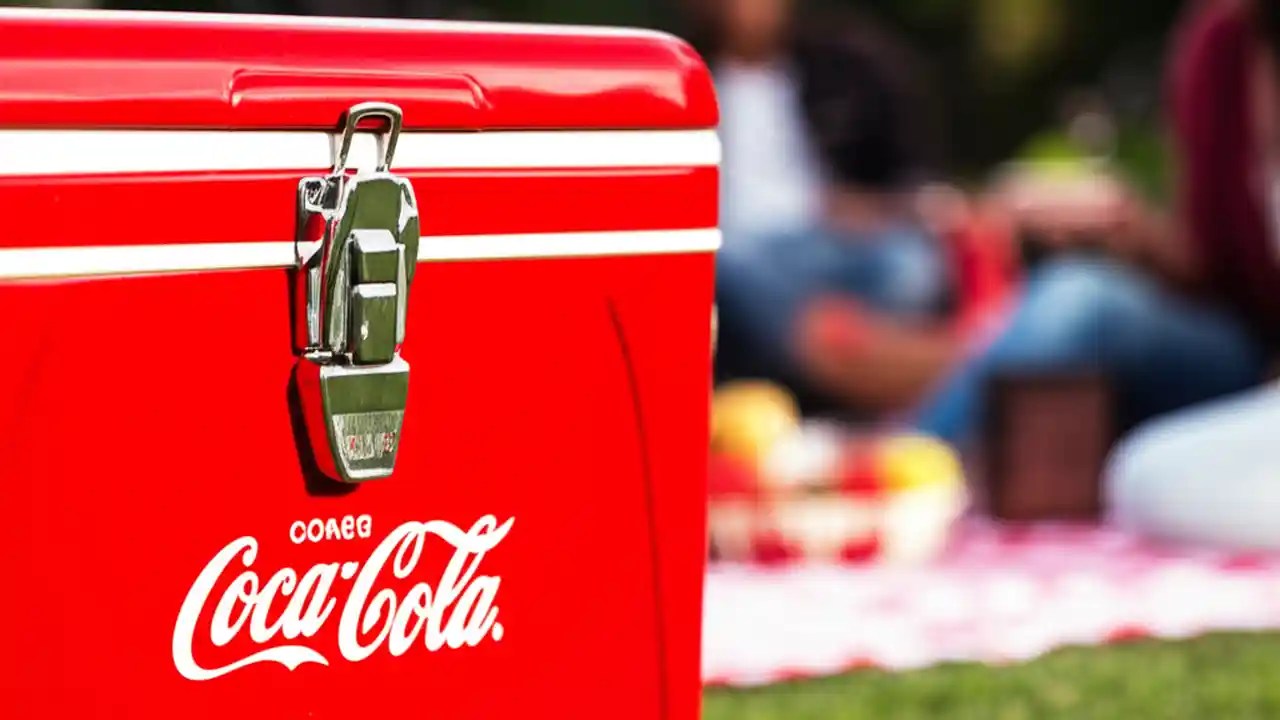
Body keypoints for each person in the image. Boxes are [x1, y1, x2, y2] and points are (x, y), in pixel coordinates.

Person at [906, 0, 1277, 444]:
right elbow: (1211, 268)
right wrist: (1126, 223)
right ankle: (912, 466)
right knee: (1077, 295)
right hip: (1237, 353)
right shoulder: (1222, 42)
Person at [704, 0, 957, 413]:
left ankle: (855, 356)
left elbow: (914, 181)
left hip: (833, 236)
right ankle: (869, 366)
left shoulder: (847, 63)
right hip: (741, 249)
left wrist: (866, 207)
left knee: (911, 261)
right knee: (725, 263)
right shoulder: (682, 76)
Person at [1105, 0, 1280, 549]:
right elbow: (1209, 259)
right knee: (1144, 475)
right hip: (1244, 353)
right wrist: (1132, 233)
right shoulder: (1224, 44)